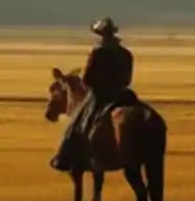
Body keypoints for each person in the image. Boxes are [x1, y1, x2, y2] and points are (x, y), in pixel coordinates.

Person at [50, 17, 135, 172]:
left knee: (76, 122)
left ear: (101, 35)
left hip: (101, 94)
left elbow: (87, 79)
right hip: (123, 93)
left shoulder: (97, 52)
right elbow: (128, 80)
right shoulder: (126, 53)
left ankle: (64, 158)